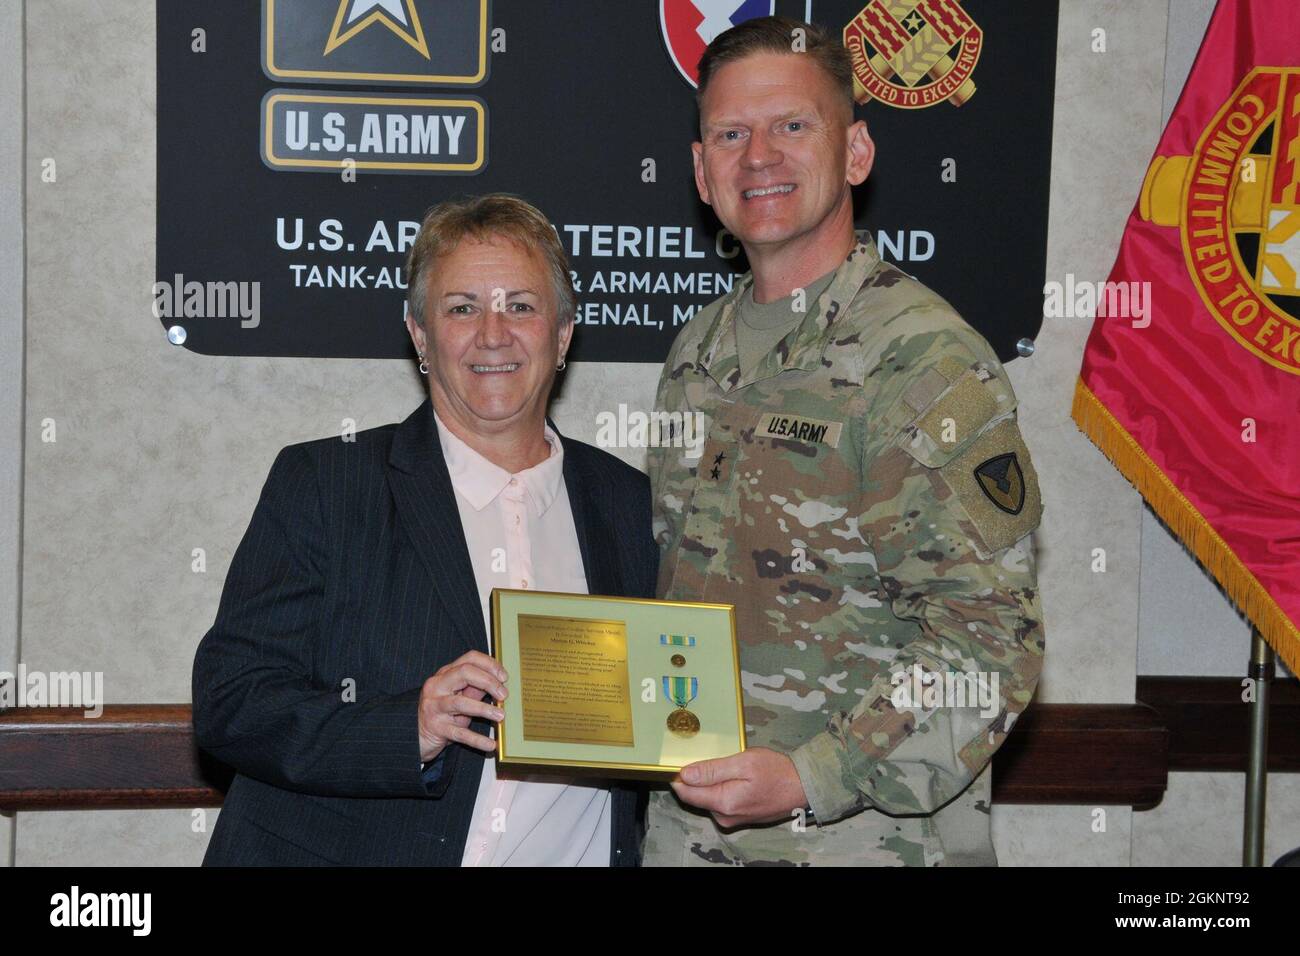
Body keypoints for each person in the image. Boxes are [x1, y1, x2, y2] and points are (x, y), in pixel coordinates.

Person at [643, 16, 1045, 866]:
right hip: (691, 841)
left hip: (863, 841)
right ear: (700, 171)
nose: (759, 156)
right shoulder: (696, 355)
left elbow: (989, 642)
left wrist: (812, 773)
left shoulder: (923, 359)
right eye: (730, 133)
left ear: (856, 154)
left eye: (793, 125)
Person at [193, 193, 655, 866]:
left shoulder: (631, 506)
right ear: (419, 336)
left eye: (520, 306)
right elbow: (231, 703)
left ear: (562, 336)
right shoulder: (327, 483)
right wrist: (406, 727)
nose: (492, 334)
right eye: (462, 307)